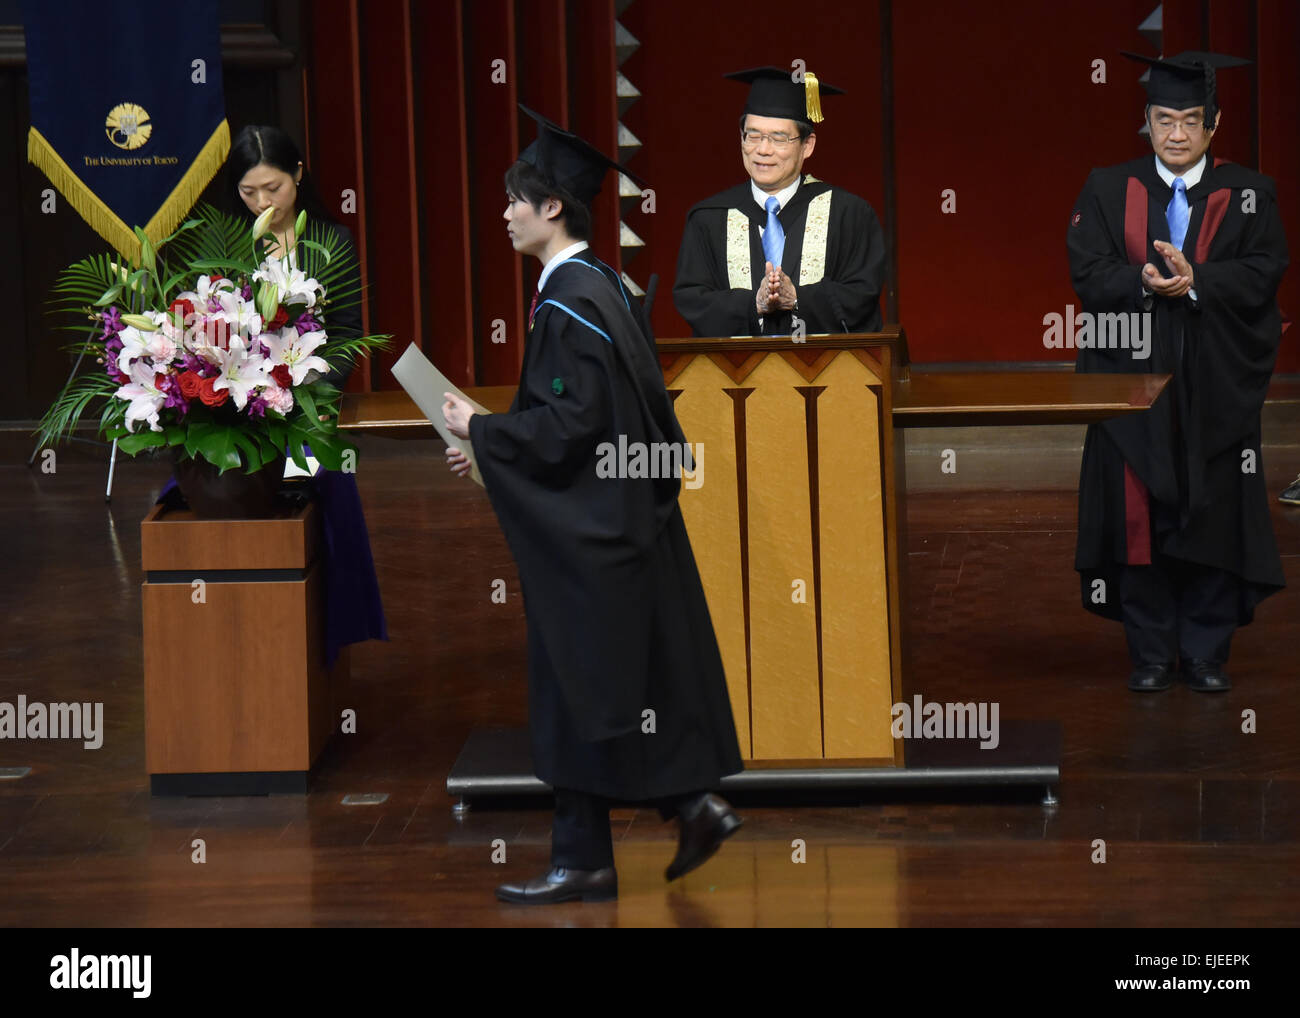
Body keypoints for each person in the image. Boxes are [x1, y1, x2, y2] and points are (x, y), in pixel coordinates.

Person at [442, 107, 744, 905]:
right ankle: (689, 806)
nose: (504, 213)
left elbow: (574, 424)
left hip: (589, 536)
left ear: (553, 209)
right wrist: (493, 444)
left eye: (516, 199)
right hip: (621, 524)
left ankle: (588, 858)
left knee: (578, 684)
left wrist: (485, 428)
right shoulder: (603, 284)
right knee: (618, 686)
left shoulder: (570, 304)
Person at [1068, 51, 1289, 693]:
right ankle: (1153, 653)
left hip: (1215, 380)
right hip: (1131, 376)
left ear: (1213, 125)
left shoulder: (1250, 192)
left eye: (1191, 121)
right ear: (1147, 119)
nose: (1176, 134)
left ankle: (1205, 652)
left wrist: (1199, 282)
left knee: (1214, 508)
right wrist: (1141, 277)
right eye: (1164, 119)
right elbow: (1086, 269)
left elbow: (1265, 270)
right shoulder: (1107, 188)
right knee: (1138, 513)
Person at [673, 66, 885, 337]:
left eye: (779, 138)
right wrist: (754, 304)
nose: (763, 149)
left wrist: (796, 298)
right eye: (753, 135)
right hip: (733, 374)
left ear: (807, 146)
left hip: (826, 373)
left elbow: (861, 295)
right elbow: (692, 300)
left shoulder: (849, 215)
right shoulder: (709, 218)